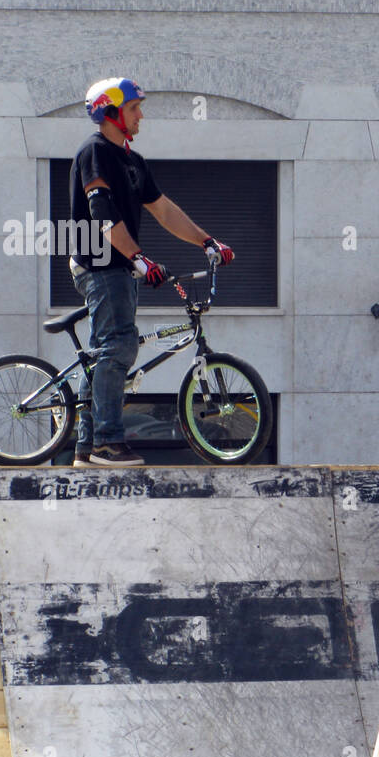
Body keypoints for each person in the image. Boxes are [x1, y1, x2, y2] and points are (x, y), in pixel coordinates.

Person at [69, 77, 234, 467]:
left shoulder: (133, 162)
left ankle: (85, 447)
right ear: (110, 113)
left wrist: (207, 241)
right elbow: (102, 214)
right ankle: (106, 443)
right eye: (134, 108)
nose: (141, 115)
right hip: (100, 262)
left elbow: (163, 210)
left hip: (119, 265)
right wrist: (139, 259)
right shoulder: (95, 152)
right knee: (119, 345)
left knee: (103, 351)